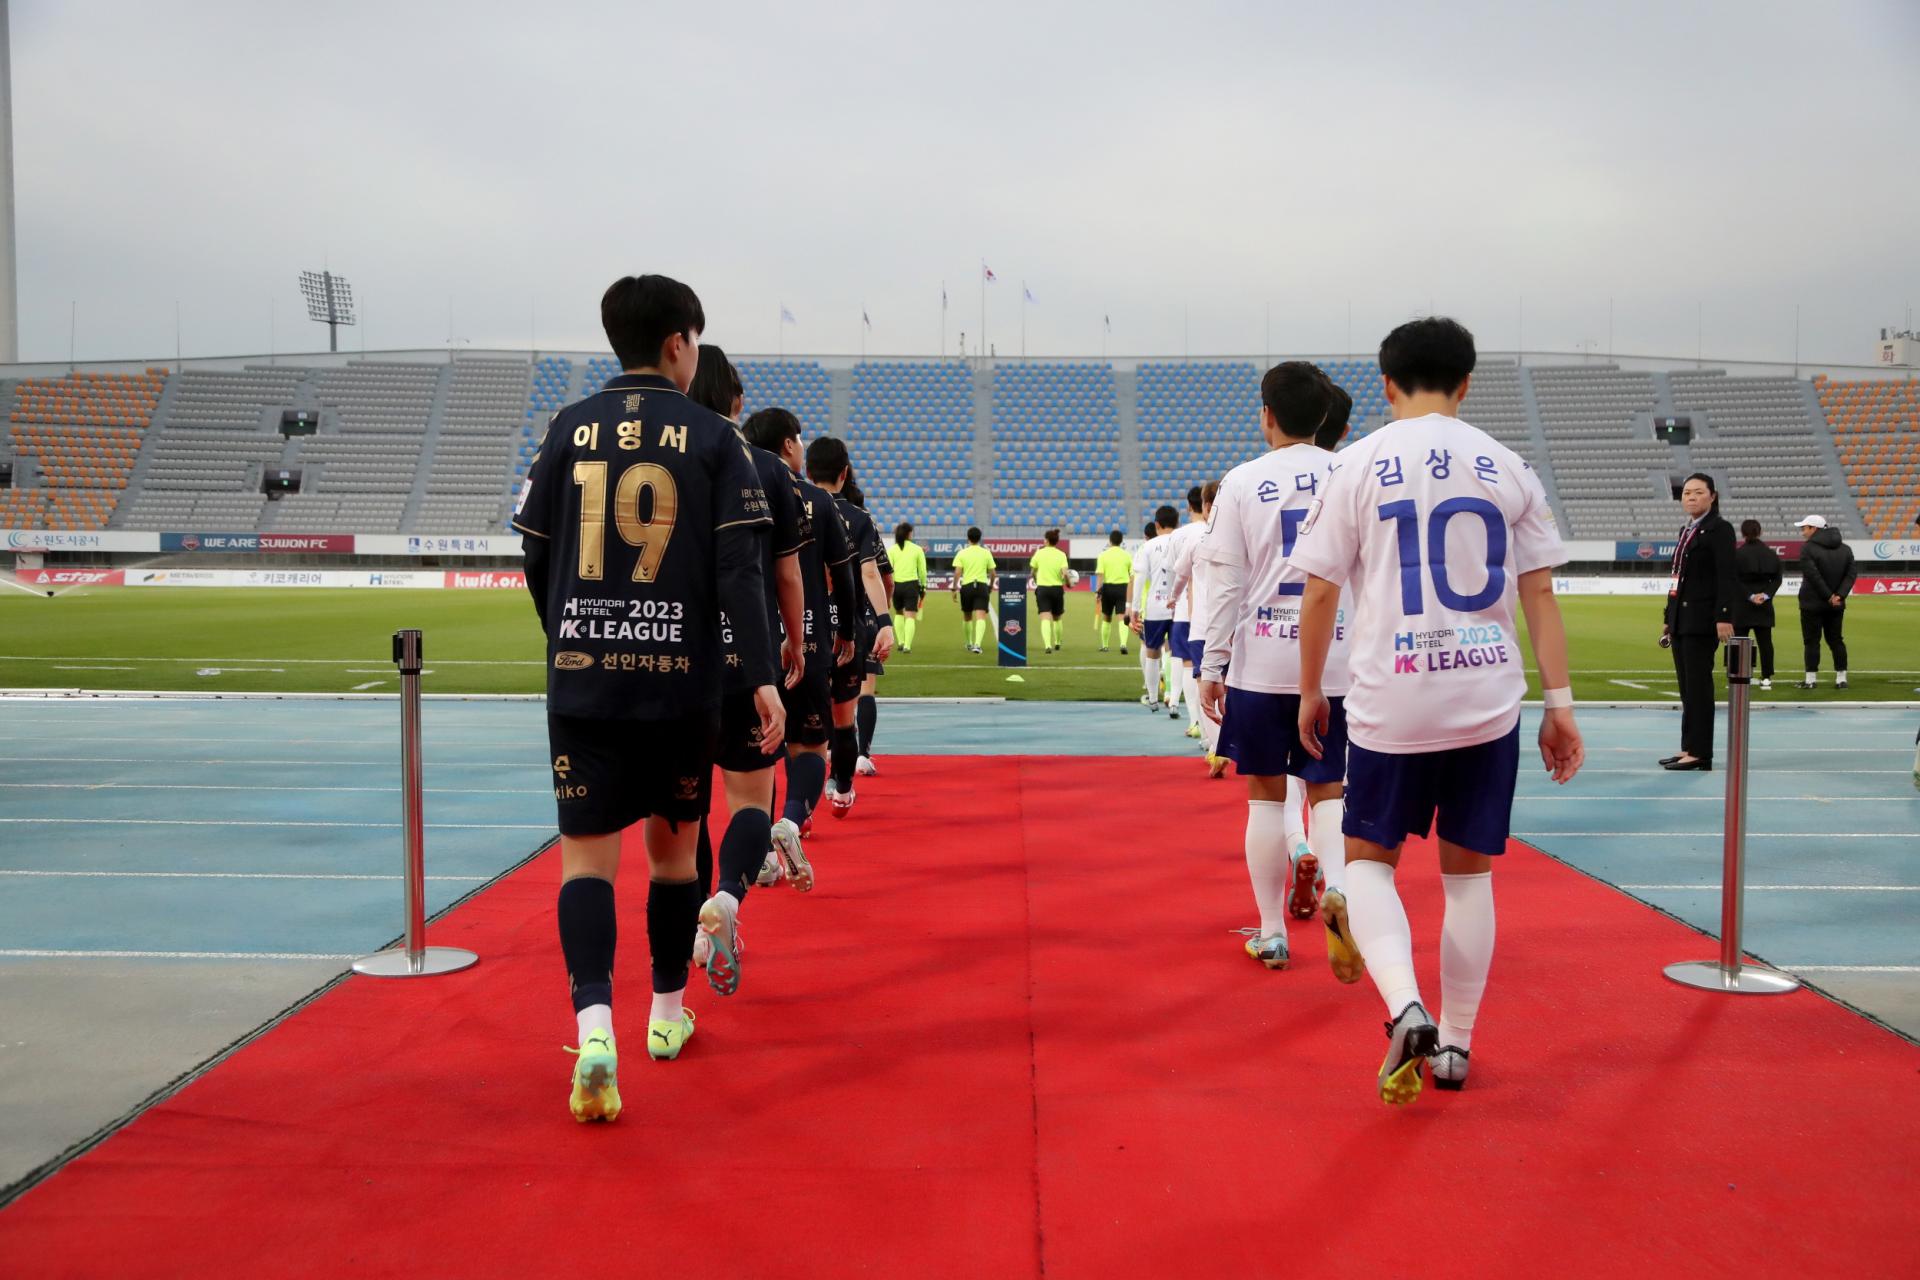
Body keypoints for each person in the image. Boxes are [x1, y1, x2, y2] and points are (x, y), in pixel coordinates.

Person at [1292, 316, 1583, 1106]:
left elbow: (1319, 589)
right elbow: (1541, 590)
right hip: (1488, 700)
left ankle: (1404, 1005)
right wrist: (1559, 705)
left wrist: (1314, 688)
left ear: (1386, 384)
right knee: (1468, 878)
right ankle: (1455, 1044)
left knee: (1369, 863)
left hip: (1393, 697)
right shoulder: (1509, 465)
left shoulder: (1353, 466)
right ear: (1466, 383)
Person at [514, 273, 784, 1123]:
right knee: (675, 859)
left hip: (585, 676)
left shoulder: (565, 429)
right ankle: (665, 1016)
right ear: (679, 343)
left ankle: (594, 1032)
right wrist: (764, 674)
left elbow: (533, 555)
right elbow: (739, 569)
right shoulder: (714, 437)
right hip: (680, 684)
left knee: (586, 859)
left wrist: (568, 632)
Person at [1199, 364, 1353, 973]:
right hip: (1338, 660)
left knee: (1264, 796)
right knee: (1330, 788)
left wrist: (1212, 661)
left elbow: (1226, 583)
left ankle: (1270, 931)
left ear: (1267, 415)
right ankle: (1338, 886)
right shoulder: (1351, 471)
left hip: (1262, 660)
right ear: (1324, 418)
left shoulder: (1241, 481)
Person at [684, 345, 808, 996]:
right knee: (750, 801)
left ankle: (694, 927)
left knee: (685, 812)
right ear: (736, 399)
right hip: (746, 656)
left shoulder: (672, 463)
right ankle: (726, 903)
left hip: (677, 661)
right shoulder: (764, 467)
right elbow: (786, 570)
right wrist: (793, 643)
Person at [742, 406, 857, 889]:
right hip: (806, 639)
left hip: (749, 643)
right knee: (810, 743)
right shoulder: (817, 500)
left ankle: (759, 856)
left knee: (756, 755)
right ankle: (790, 822)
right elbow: (844, 574)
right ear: (789, 445)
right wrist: (848, 631)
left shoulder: (736, 493)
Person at [808, 439, 896, 817]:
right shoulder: (859, 519)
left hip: (804, 627)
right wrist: (884, 621)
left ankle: (801, 810)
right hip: (847, 626)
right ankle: (842, 790)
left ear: (807, 472)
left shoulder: (795, 509)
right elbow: (872, 571)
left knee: (806, 724)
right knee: (845, 719)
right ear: (844, 474)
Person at [1660, 473, 1735, 771]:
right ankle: (1689, 746)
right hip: (1682, 619)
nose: (1690, 497)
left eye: (1698, 492)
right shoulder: (1687, 530)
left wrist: (1724, 616)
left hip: (1703, 620)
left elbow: (1726, 575)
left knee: (1699, 688)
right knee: (1687, 689)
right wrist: (1669, 616)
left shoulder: (1720, 530)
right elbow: (1678, 577)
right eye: (1687, 493)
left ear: (1712, 496)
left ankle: (1701, 752)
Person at [849, 483, 891, 776]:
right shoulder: (866, 526)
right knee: (866, 689)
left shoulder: (818, 517)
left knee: (829, 689)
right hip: (865, 615)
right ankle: (862, 753)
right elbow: (885, 577)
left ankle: (827, 747)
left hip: (826, 614)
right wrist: (882, 617)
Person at [1794, 514, 1857, 689]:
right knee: (1836, 639)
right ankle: (1841, 678)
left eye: (1804, 528)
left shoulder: (1808, 549)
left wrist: (1828, 596)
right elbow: (1851, 574)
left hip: (1812, 603)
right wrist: (1839, 596)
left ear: (1814, 529)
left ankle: (1811, 680)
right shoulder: (1845, 549)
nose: (1802, 532)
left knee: (1811, 641)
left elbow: (1813, 576)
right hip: (1836, 605)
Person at [1164, 487, 1208, 732]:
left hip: (1184, 611)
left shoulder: (1180, 535)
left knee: (1190, 666)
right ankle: (1217, 730)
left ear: (1189, 506)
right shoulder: (1219, 531)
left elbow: (1174, 571)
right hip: (1216, 611)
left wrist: (1173, 599)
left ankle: (1196, 723)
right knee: (1218, 671)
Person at [1129, 506, 1180, 710]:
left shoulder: (1148, 547)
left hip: (1155, 607)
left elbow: (1139, 578)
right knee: (1177, 653)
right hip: (1180, 607)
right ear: (1177, 523)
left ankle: (1152, 699)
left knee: (1152, 651)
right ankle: (1174, 700)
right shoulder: (1182, 540)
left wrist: (1134, 608)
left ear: (1157, 525)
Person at [1731, 519, 1783, 691]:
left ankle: (1738, 676)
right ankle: (1767, 677)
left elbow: (1734, 579)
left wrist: (1750, 595)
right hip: (1764, 604)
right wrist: (1766, 594)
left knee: (1739, 641)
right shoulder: (1771, 553)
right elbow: (1777, 578)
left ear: (1743, 533)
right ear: (1760, 532)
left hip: (1742, 605)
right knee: (1765, 643)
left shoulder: (1737, 554)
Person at [952, 527, 997, 654]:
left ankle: (968, 643)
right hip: (982, 586)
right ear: (979, 538)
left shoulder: (962, 553)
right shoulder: (986, 552)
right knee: (981, 616)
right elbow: (993, 573)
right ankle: (977, 644)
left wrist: (954, 588)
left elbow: (957, 573)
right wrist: (991, 586)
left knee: (967, 616)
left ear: (968, 538)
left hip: (967, 587)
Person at [887, 522, 927, 654]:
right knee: (910, 615)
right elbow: (922, 571)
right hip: (911, 585)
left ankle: (901, 642)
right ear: (909, 533)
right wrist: (923, 587)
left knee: (898, 613)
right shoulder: (917, 549)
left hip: (896, 585)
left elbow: (888, 570)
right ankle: (907, 646)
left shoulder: (892, 549)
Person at [1029, 528, 1071, 654]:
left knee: (1045, 617)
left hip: (1043, 589)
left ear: (1046, 540)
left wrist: (1035, 579)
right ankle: (1057, 643)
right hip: (1057, 589)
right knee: (1057, 618)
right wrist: (1068, 583)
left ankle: (1047, 645)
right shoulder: (1061, 554)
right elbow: (1065, 573)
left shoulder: (1039, 553)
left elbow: (1032, 571)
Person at [1094, 530, 1132, 653]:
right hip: (1123, 588)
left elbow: (1100, 574)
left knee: (1107, 618)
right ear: (1121, 541)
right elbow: (1132, 575)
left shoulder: (1103, 555)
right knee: (1122, 617)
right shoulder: (1127, 555)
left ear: (1110, 541)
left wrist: (1098, 591)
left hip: (1108, 588)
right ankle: (1123, 645)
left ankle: (1105, 646)